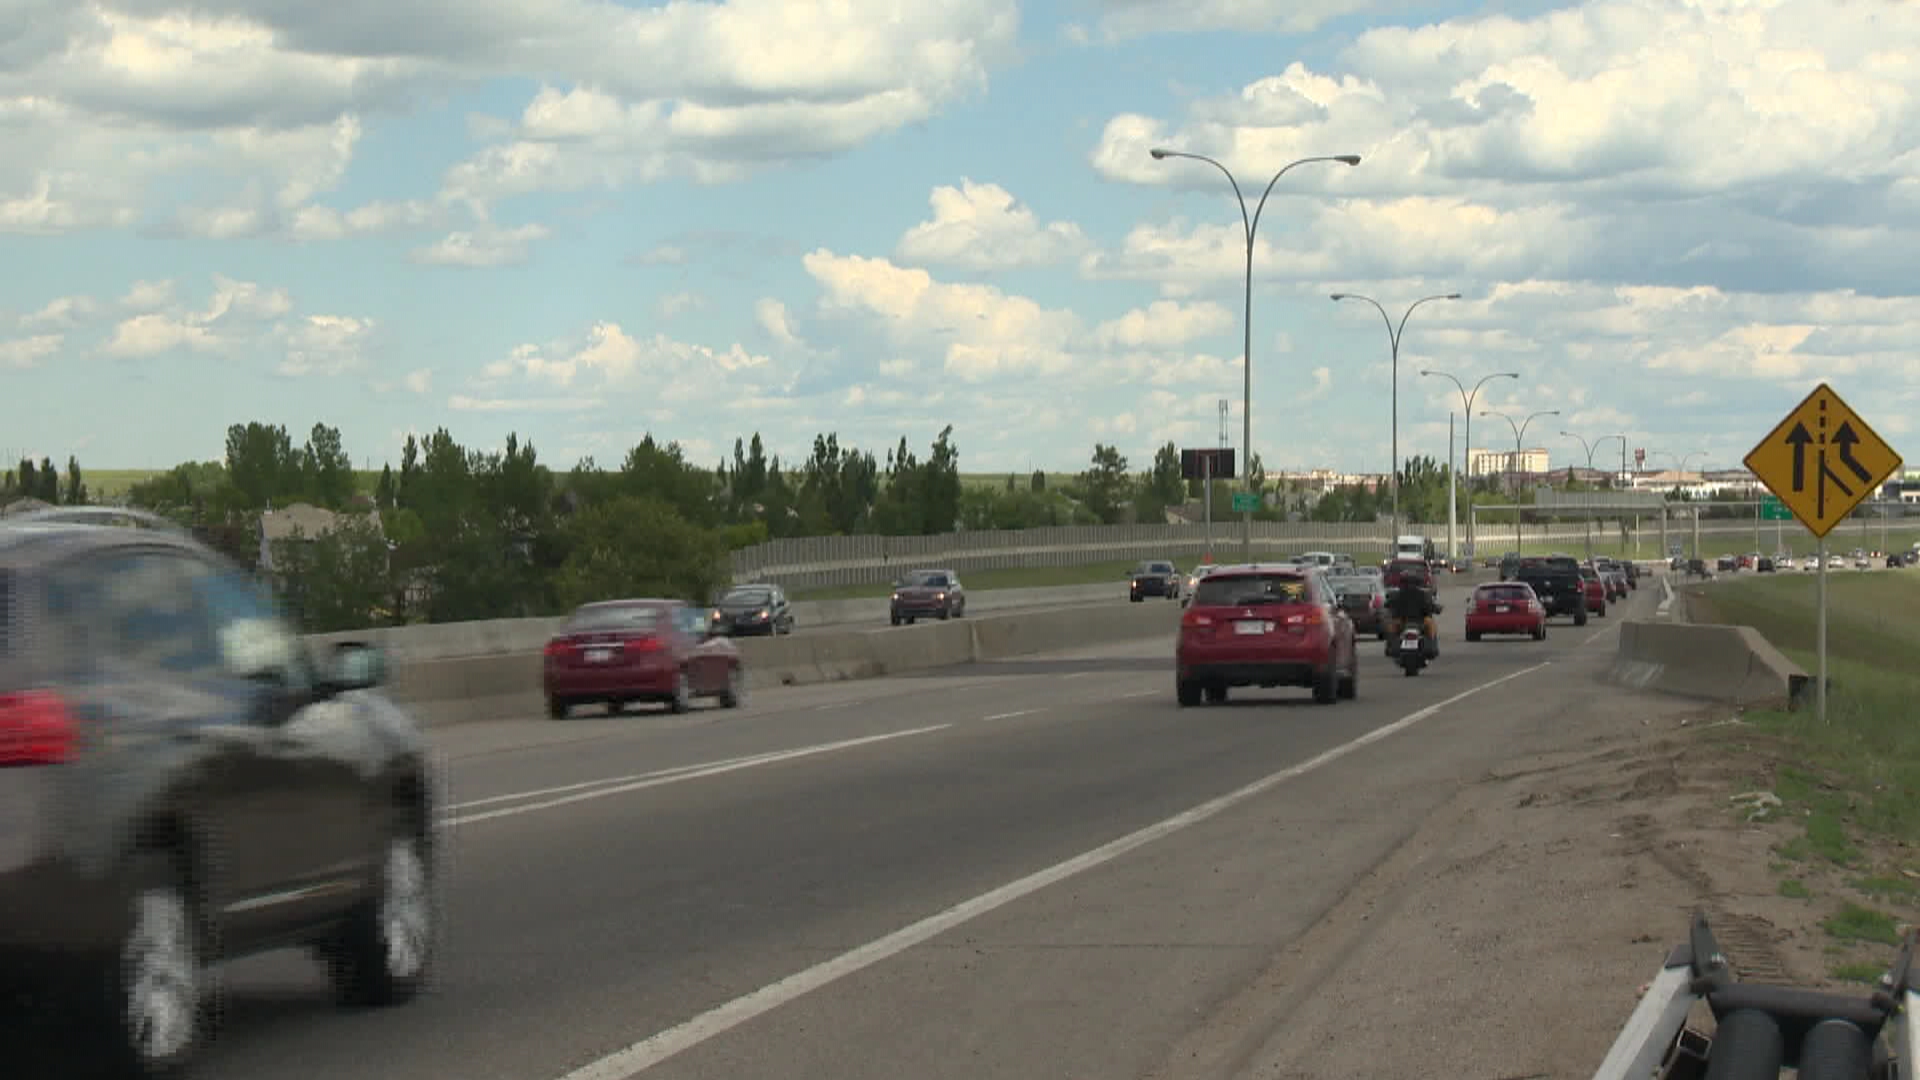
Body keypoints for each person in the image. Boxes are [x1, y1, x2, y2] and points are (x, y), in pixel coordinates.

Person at [1386, 570, 1440, 655]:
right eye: (1408, 583)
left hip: (1408, 622)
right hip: (1411, 622)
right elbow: (1430, 606)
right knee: (1430, 624)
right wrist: (1436, 609)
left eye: (1412, 583)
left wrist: (1436, 608)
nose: (1410, 585)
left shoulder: (1400, 594)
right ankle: (1431, 647)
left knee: (1430, 624)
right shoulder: (1421, 594)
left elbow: (1389, 603)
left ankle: (1431, 646)